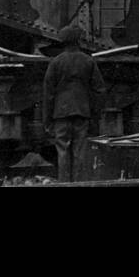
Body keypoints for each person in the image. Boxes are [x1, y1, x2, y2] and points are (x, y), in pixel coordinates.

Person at [41, 25, 106, 182]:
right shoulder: (88, 61)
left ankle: (64, 183)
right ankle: (79, 183)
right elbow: (99, 90)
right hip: (82, 113)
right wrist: (94, 114)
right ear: (78, 41)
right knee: (79, 151)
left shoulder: (55, 63)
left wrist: (47, 120)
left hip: (60, 113)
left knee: (62, 151)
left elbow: (48, 94)